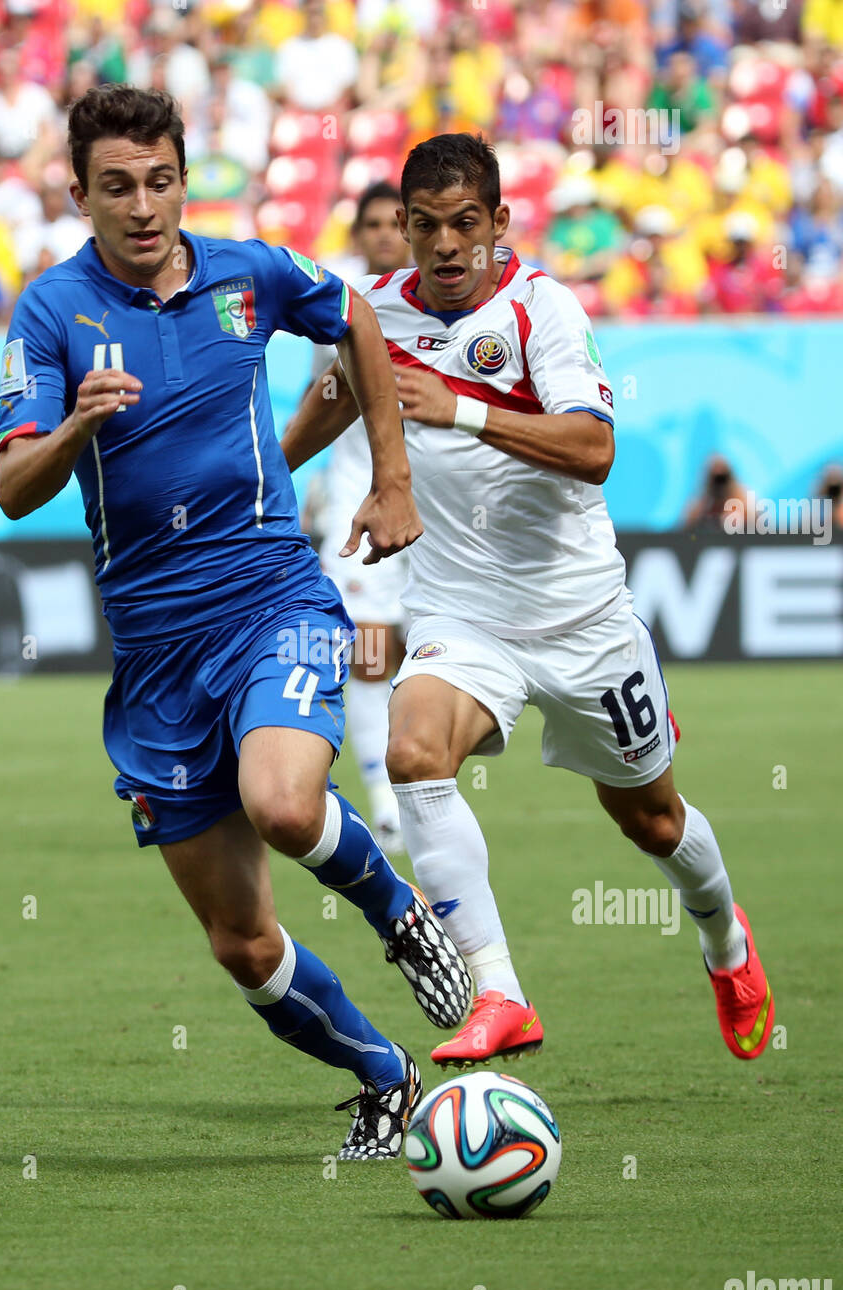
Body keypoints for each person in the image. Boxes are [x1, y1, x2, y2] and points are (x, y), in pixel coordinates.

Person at [0, 86, 471, 1160]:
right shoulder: (50, 312)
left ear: (183, 182)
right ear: (80, 194)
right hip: (155, 656)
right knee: (241, 940)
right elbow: (13, 487)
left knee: (286, 802)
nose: (143, 205)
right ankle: (382, 1076)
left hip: (272, 602)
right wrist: (77, 422)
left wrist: (392, 480)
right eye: (116, 186)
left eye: (160, 180)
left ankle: (401, 912)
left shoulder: (246, 275)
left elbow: (350, 309)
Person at [283, 132, 774, 1069]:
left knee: (653, 822)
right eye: (425, 226)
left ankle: (725, 940)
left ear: (499, 222)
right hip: (464, 616)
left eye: (465, 223)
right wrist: (253, 485)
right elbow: (333, 402)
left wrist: (460, 406)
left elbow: (593, 449)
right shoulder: (377, 317)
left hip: (584, 620)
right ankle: (499, 992)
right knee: (413, 749)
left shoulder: (542, 308)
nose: (444, 245)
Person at [300, 182, 412, 855]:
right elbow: (325, 400)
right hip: (353, 503)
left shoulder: (446, 309)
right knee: (366, 656)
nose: (380, 235)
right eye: (368, 224)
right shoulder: (336, 308)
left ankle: (416, 783)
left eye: (392, 223)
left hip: (434, 509)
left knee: (414, 660)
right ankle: (387, 801)